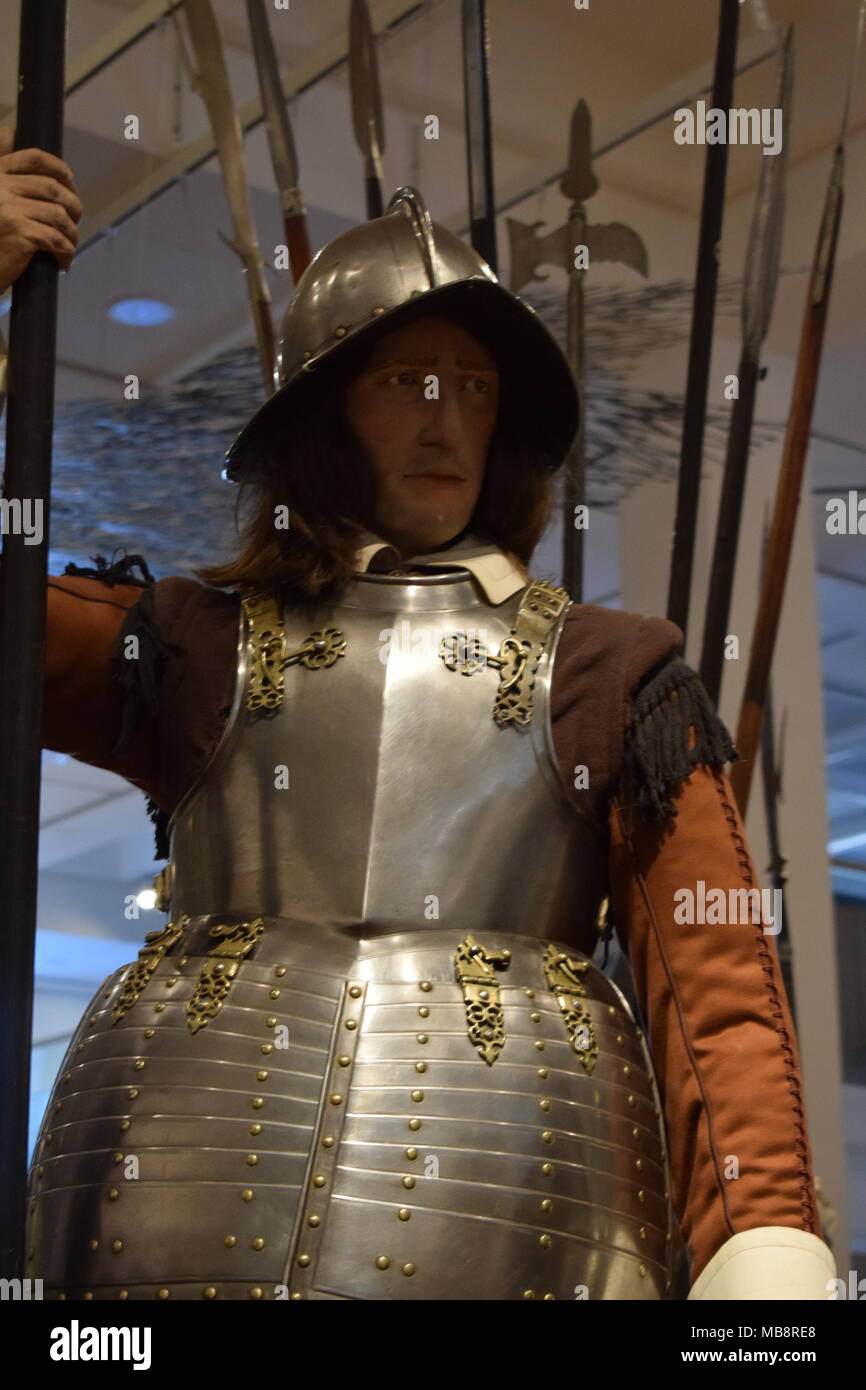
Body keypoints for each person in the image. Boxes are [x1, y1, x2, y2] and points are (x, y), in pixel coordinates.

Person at [1, 136, 834, 1300]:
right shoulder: (191, 644)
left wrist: (766, 1274)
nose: (445, 420)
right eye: (406, 381)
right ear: (324, 412)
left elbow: (718, 1003)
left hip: (507, 1236)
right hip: (177, 1229)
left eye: (474, 388)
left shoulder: (606, 671)